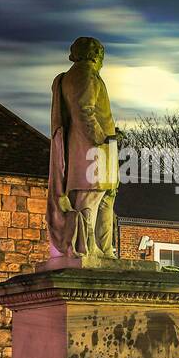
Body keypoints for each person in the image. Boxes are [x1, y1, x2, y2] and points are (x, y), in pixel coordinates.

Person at [47, 36, 120, 258]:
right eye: (101, 55)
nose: (102, 61)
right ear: (95, 55)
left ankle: (104, 249)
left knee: (104, 200)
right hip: (92, 152)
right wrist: (101, 137)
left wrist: (112, 136)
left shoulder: (73, 76)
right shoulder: (84, 74)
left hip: (95, 150)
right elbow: (83, 110)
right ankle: (88, 249)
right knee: (90, 201)